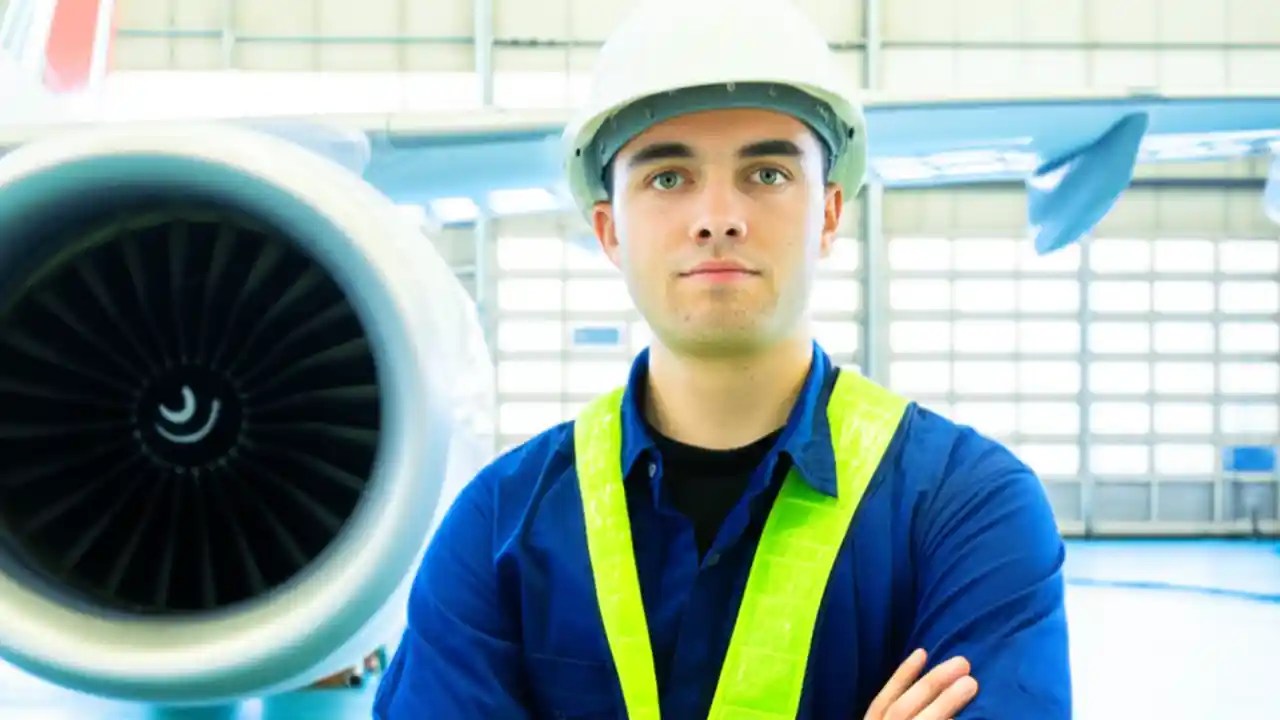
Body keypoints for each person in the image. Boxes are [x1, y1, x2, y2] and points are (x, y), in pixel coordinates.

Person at [373, 0, 1072, 717]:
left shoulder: (969, 511)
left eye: (766, 174)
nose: (718, 216)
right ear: (609, 231)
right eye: (668, 178)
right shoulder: (495, 529)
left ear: (829, 214)